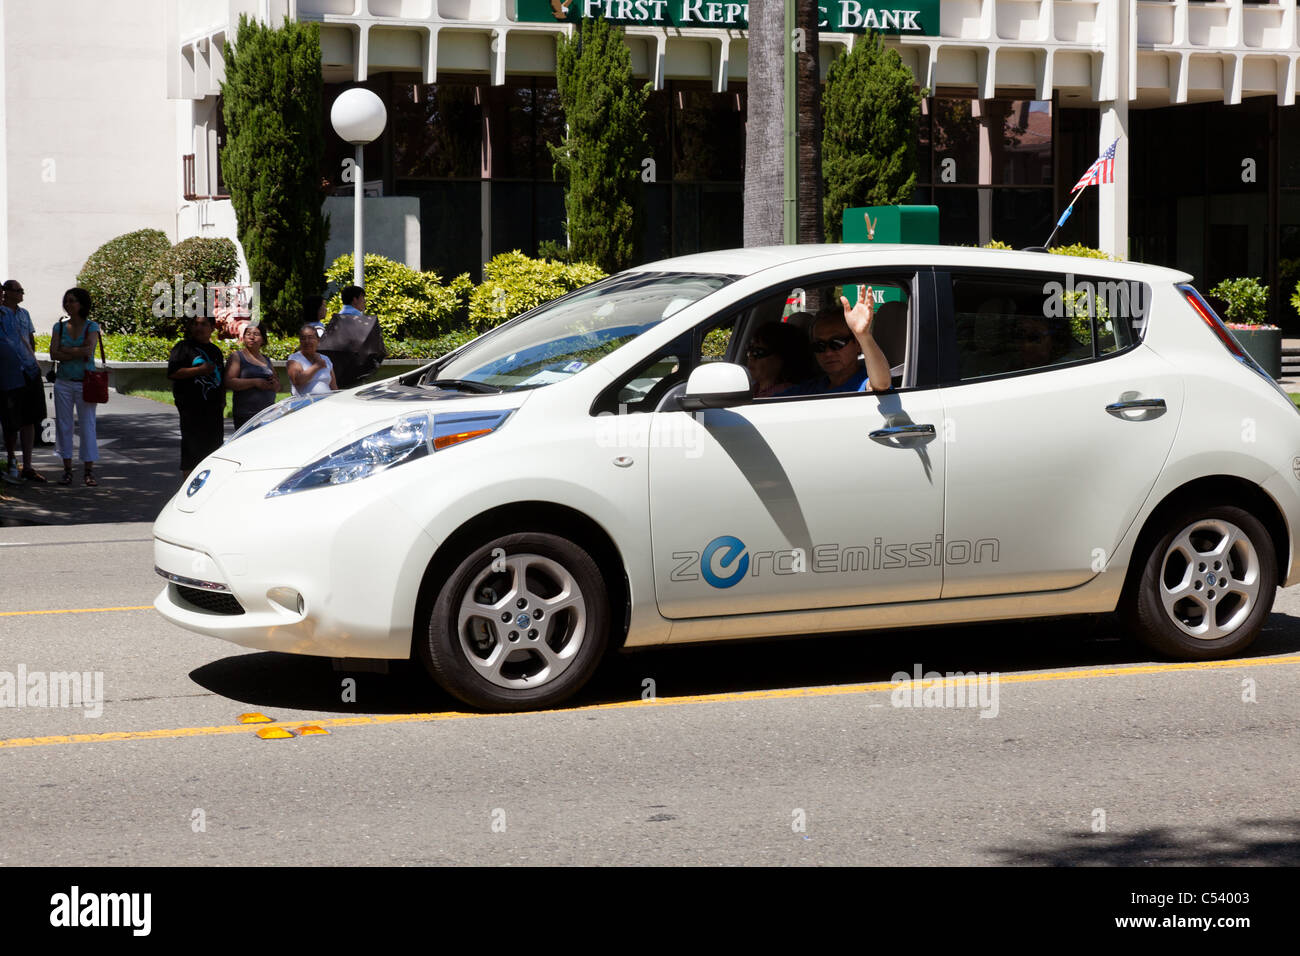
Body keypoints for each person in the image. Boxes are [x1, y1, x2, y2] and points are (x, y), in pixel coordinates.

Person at [49, 288, 101, 486]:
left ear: (82, 304)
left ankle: (88, 471)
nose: (69, 304)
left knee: (88, 425)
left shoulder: (92, 326)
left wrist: (66, 351)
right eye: (67, 301)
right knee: (64, 426)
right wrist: (76, 352)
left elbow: (89, 350)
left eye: (73, 301)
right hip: (63, 382)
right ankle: (67, 469)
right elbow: (54, 353)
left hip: (85, 383)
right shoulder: (59, 327)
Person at [795, 287, 891, 394]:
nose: (828, 352)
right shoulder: (810, 388)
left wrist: (863, 334)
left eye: (837, 343)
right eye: (819, 345)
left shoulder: (865, 382)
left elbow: (882, 384)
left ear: (858, 345)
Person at [0, 278, 47, 482]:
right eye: (18, 290)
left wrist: (34, 363)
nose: (21, 294)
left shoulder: (24, 314)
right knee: (11, 420)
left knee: (30, 418)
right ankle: (11, 461)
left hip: (29, 371)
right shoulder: (1, 314)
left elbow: (31, 339)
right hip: (9, 373)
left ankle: (27, 465)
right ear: (7, 292)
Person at [167, 315, 225, 474]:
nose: (199, 328)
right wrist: (199, 370)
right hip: (191, 409)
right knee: (192, 454)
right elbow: (173, 372)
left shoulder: (215, 351)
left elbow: (221, 377)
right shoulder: (183, 347)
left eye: (204, 324)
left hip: (213, 410)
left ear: (212, 328)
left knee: (214, 452)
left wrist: (222, 401)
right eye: (195, 324)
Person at [225, 322, 280, 430]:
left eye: (256, 334)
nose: (251, 337)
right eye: (248, 333)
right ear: (244, 337)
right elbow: (229, 381)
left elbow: (278, 386)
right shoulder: (237, 356)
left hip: (268, 414)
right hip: (246, 416)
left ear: (263, 339)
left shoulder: (266, 359)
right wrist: (255, 382)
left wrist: (274, 384)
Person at [746, 321, 818, 398]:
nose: (751, 357)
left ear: (782, 358)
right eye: (750, 350)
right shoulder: (754, 388)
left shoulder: (787, 394)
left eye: (758, 352)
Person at [287, 323, 337, 397]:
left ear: (318, 340)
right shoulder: (294, 358)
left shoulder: (325, 359)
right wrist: (317, 366)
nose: (307, 341)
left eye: (310, 338)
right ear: (300, 341)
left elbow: (333, 386)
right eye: (303, 338)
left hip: (327, 402)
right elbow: (298, 380)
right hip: (305, 404)